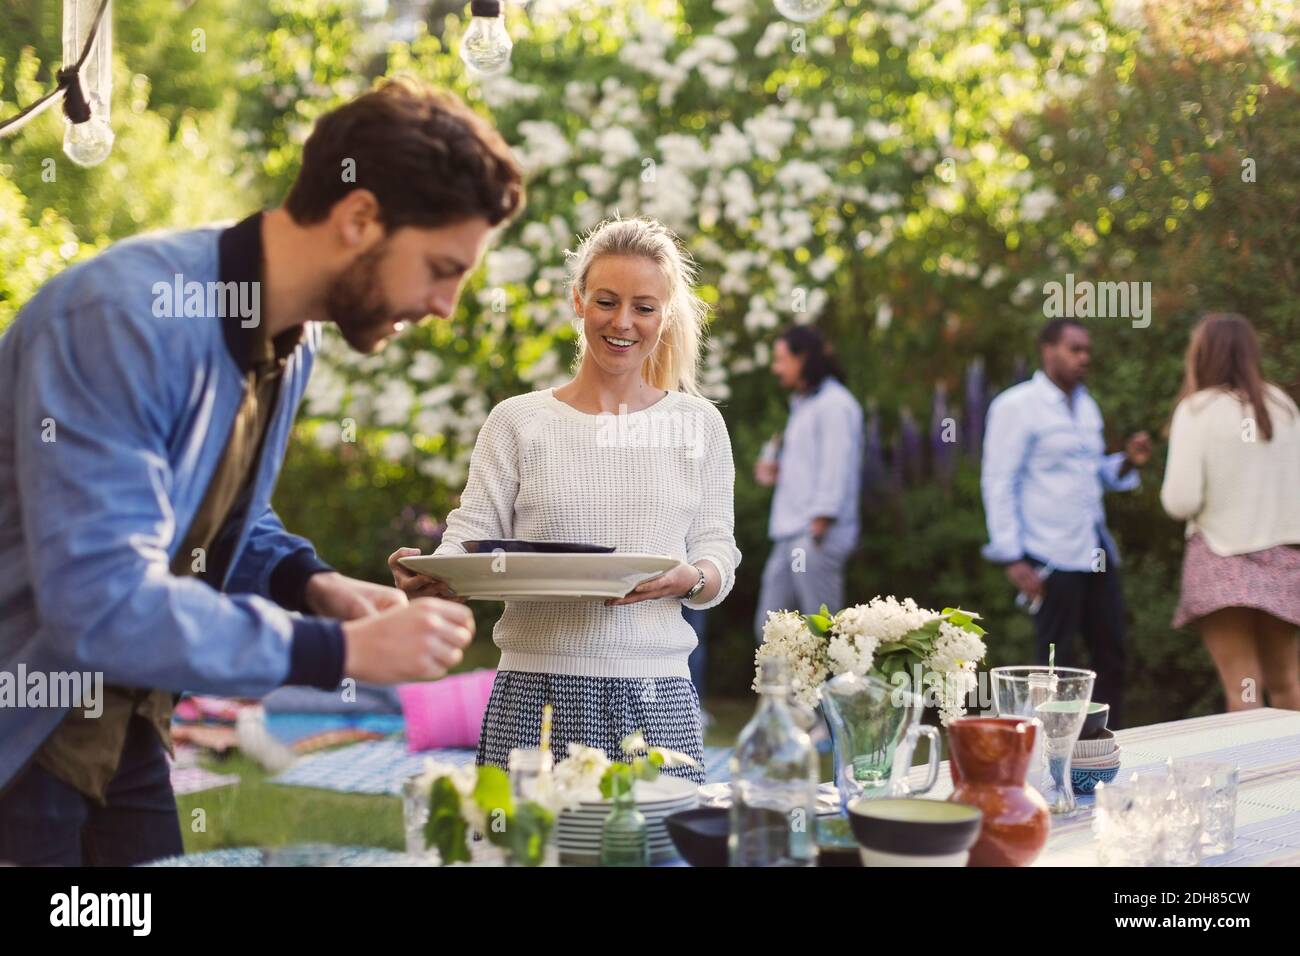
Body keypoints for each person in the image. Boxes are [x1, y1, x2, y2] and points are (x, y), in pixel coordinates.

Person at [0, 79, 524, 865]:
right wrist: (337, 655)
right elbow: (98, 601)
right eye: (442, 268)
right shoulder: (124, 320)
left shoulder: (291, 335)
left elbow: (195, 511)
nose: (447, 305)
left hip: (125, 720)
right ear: (359, 218)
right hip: (27, 727)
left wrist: (310, 584)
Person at [390, 217, 740, 784]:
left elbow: (717, 550)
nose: (623, 322)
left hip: (657, 697)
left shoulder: (697, 425)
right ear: (578, 301)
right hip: (533, 694)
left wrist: (691, 579)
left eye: (644, 307)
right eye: (606, 301)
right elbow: (472, 532)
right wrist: (434, 574)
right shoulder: (517, 421)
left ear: (665, 315)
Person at [980, 318, 1152, 727]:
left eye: (1087, 351)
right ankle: (1056, 755)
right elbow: (999, 480)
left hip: (1094, 550)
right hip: (1049, 552)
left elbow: (1095, 475)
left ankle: (1105, 744)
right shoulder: (1016, 406)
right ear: (1048, 350)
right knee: (1057, 665)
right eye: (1074, 349)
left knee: (1111, 653)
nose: (1084, 358)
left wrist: (1127, 459)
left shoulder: (1086, 406)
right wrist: (1011, 556)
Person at [1160, 313, 1300, 711]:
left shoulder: (1197, 410)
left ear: (1202, 355)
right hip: (1286, 560)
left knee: (1243, 688)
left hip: (1222, 559)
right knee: (1287, 682)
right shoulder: (1283, 406)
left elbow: (1180, 501)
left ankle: (1256, 775)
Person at [753, 325, 864, 642]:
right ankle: (779, 693)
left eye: (781, 359)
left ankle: (831, 693)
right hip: (789, 532)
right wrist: (777, 469)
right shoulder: (804, 404)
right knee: (770, 628)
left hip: (815, 535)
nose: (776, 368)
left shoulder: (836, 404)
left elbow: (836, 465)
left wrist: (821, 521)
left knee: (821, 632)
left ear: (803, 358)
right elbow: (808, 467)